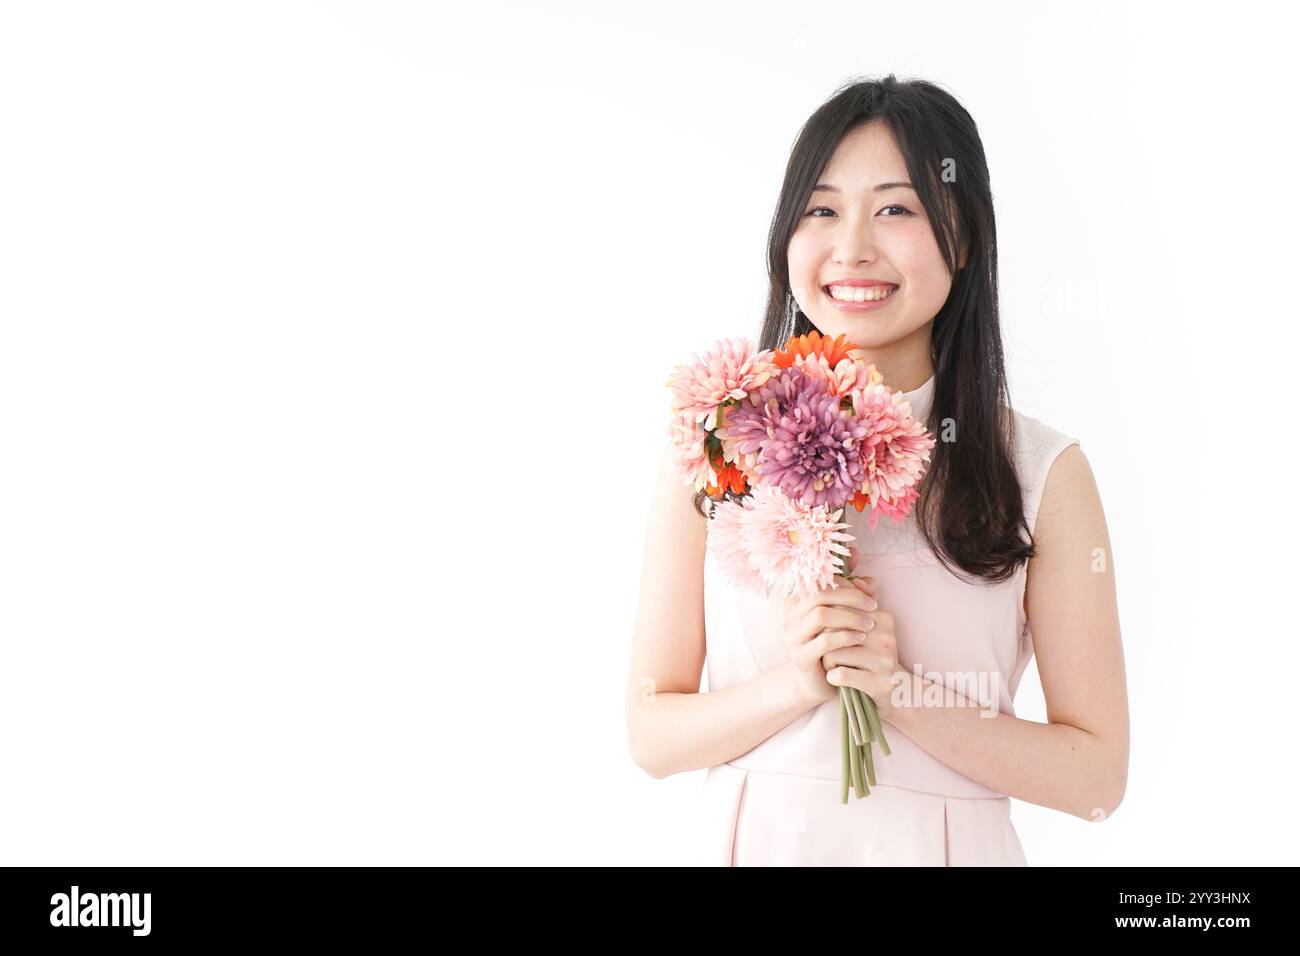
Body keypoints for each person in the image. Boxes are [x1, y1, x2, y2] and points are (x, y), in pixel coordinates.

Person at [625, 75, 1129, 866]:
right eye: (821, 209)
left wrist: (899, 693)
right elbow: (652, 735)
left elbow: (1096, 775)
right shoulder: (716, 443)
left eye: (895, 208)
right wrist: (797, 682)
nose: (852, 246)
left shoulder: (1040, 472)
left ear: (962, 240)